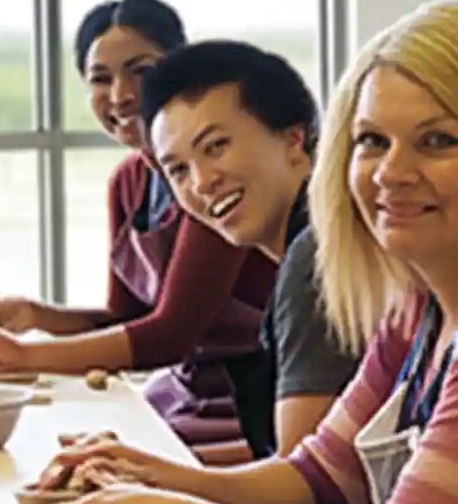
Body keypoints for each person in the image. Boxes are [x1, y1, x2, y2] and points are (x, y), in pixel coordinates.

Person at [4, 0, 458, 504]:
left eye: (438, 140)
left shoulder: (311, 262)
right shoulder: (416, 309)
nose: (391, 173)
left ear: (296, 142)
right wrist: (156, 478)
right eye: (372, 142)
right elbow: (321, 477)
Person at [0, 0, 277, 460]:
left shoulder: (210, 183)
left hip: (255, 402)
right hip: (185, 390)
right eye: (100, 79)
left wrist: (22, 357)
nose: (121, 95)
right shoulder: (129, 181)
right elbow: (127, 320)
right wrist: (36, 315)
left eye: (142, 70)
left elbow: (170, 335)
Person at [142, 39, 360, 457]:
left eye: (216, 147)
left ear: (294, 139)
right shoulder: (314, 239)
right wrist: (147, 466)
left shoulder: (314, 256)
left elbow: (305, 487)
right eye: (178, 170)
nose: (202, 181)